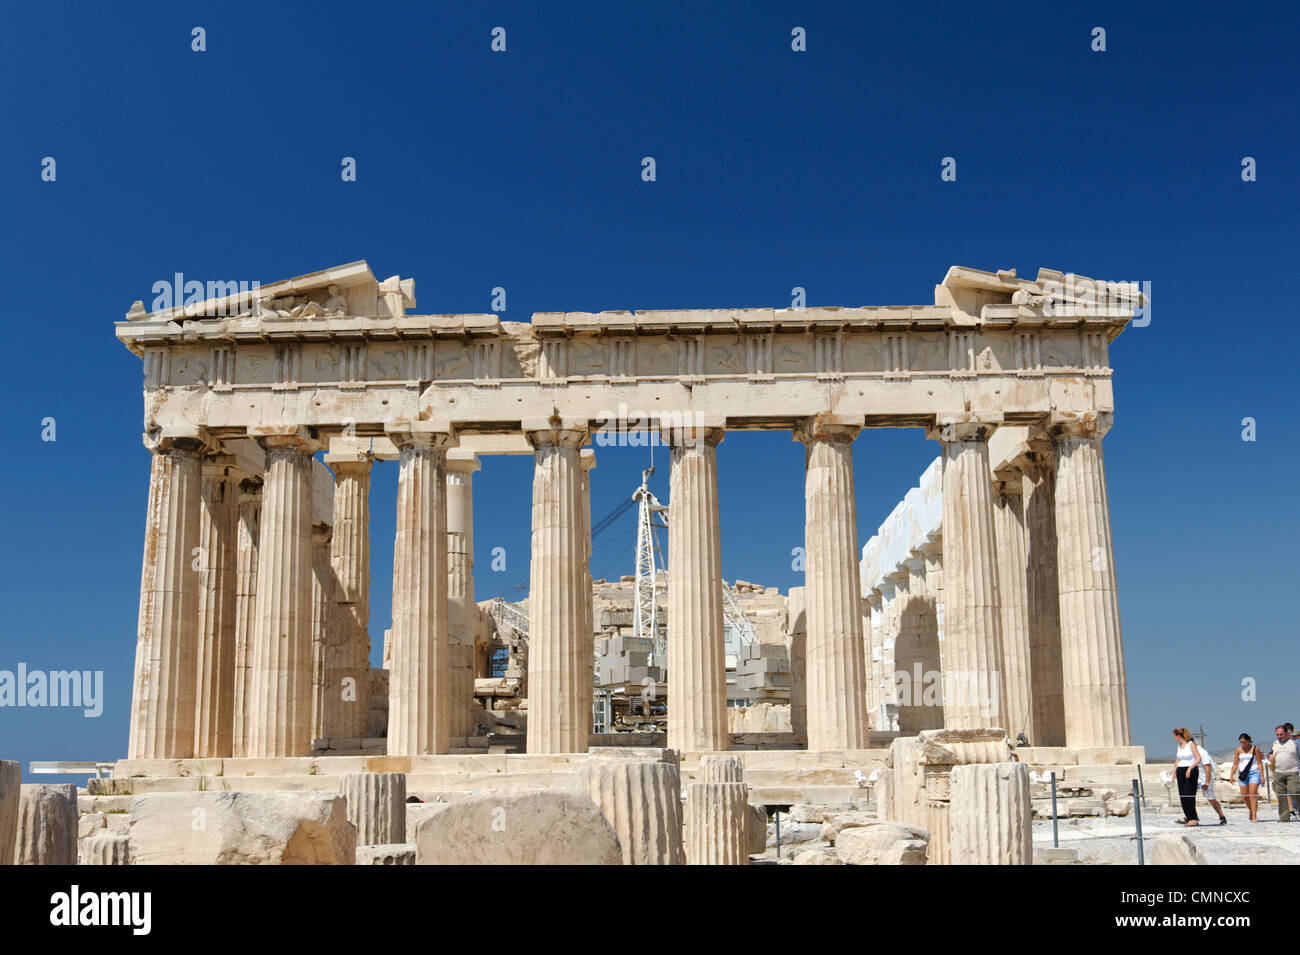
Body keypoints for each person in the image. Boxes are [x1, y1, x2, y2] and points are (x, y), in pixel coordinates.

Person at [1268, 723, 1299, 823]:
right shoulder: (1275, 744)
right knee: (1281, 795)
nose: (1279, 736)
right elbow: (1270, 753)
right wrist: (1270, 756)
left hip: (1292, 772)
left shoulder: (1295, 743)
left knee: (1295, 791)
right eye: (1277, 734)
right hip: (1278, 772)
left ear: (1286, 733)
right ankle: (1284, 817)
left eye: (1281, 734)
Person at [1230, 733, 1264, 822]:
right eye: (1241, 742)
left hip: (1254, 772)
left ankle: (1254, 816)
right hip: (1243, 774)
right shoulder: (1238, 750)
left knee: (1252, 794)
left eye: (1244, 742)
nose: (1243, 744)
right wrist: (1231, 775)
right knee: (1245, 796)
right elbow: (1235, 763)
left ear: (1248, 741)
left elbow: (1259, 763)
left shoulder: (1255, 749)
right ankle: (1251, 811)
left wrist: (1262, 775)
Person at [1194, 739, 1227, 824]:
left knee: (1211, 798)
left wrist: (1207, 782)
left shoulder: (1202, 752)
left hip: (1204, 778)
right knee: (1189, 797)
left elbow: (1207, 767)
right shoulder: (1191, 752)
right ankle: (1191, 817)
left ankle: (1221, 816)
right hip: (1194, 778)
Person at [1173, 728, 1201, 826]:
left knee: (1189, 794)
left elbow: (1198, 758)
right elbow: (1178, 760)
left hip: (1190, 770)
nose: (1174, 738)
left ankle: (1193, 818)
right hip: (1180, 770)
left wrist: (1190, 768)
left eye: (1175, 736)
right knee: (1183, 795)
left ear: (1179, 736)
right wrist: (1174, 772)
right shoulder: (1179, 745)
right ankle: (1188, 817)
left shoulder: (1191, 744)